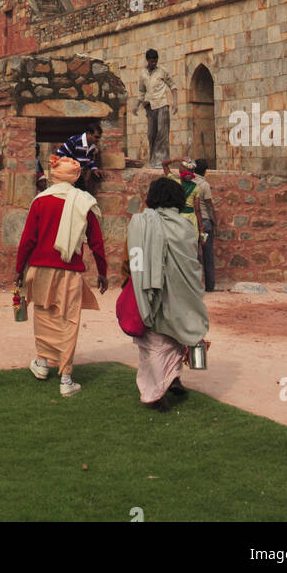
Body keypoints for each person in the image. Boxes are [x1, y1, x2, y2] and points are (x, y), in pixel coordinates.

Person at [14, 155, 108, 397]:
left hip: (41, 267)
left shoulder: (40, 202)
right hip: (70, 269)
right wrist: (103, 272)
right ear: (75, 176)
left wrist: (18, 269)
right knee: (68, 320)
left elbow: (28, 240)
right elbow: (96, 241)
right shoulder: (82, 202)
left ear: (54, 175)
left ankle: (42, 363)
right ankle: (65, 379)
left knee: (44, 314)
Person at [124, 175, 209, 411]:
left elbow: (135, 259)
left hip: (151, 292)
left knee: (155, 344)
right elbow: (192, 265)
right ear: (178, 199)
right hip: (179, 296)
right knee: (170, 338)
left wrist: (142, 281)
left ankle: (164, 385)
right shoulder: (185, 227)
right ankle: (160, 389)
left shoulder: (140, 223)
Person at [132, 49, 177, 166]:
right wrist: (136, 106)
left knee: (162, 134)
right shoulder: (143, 74)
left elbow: (173, 86)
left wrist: (175, 103)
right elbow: (141, 91)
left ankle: (162, 161)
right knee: (151, 135)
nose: (154, 64)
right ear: (148, 61)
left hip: (162, 105)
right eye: (152, 61)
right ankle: (153, 161)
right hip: (150, 106)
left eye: (155, 62)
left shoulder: (162, 71)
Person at [54, 121, 103, 190]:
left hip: (77, 175)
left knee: (81, 194)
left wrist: (94, 168)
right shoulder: (74, 141)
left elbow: (89, 159)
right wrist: (72, 167)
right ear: (89, 134)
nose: (98, 140)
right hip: (67, 175)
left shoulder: (93, 145)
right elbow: (59, 154)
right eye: (96, 137)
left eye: (99, 137)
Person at [194, 158, 216, 292]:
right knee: (208, 254)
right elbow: (209, 205)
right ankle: (210, 285)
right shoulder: (204, 185)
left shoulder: (189, 183)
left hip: (192, 222)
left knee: (193, 255)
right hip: (205, 221)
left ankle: (194, 286)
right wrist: (215, 221)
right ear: (205, 171)